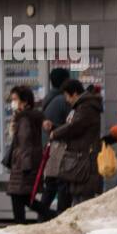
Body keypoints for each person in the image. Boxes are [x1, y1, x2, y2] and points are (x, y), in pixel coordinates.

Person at [49, 78, 104, 212]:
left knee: (83, 203)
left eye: (67, 96)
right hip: (80, 161)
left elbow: (75, 126)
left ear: (74, 93)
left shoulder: (86, 107)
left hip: (84, 161)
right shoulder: (82, 106)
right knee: (78, 200)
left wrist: (55, 133)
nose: (67, 100)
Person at [33, 66, 72, 219]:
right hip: (59, 151)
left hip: (48, 149)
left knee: (50, 186)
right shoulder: (63, 100)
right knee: (61, 186)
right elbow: (69, 126)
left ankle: (42, 218)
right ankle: (58, 219)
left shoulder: (49, 98)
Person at [5, 86, 45, 223]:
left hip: (23, 166)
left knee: (20, 197)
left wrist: (25, 166)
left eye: (15, 99)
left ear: (25, 101)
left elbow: (25, 143)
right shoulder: (25, 118)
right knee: (24, 198)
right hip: (23, 164)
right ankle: (53, 216)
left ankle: (53, 215)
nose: (13, 103)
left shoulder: (24, 120)